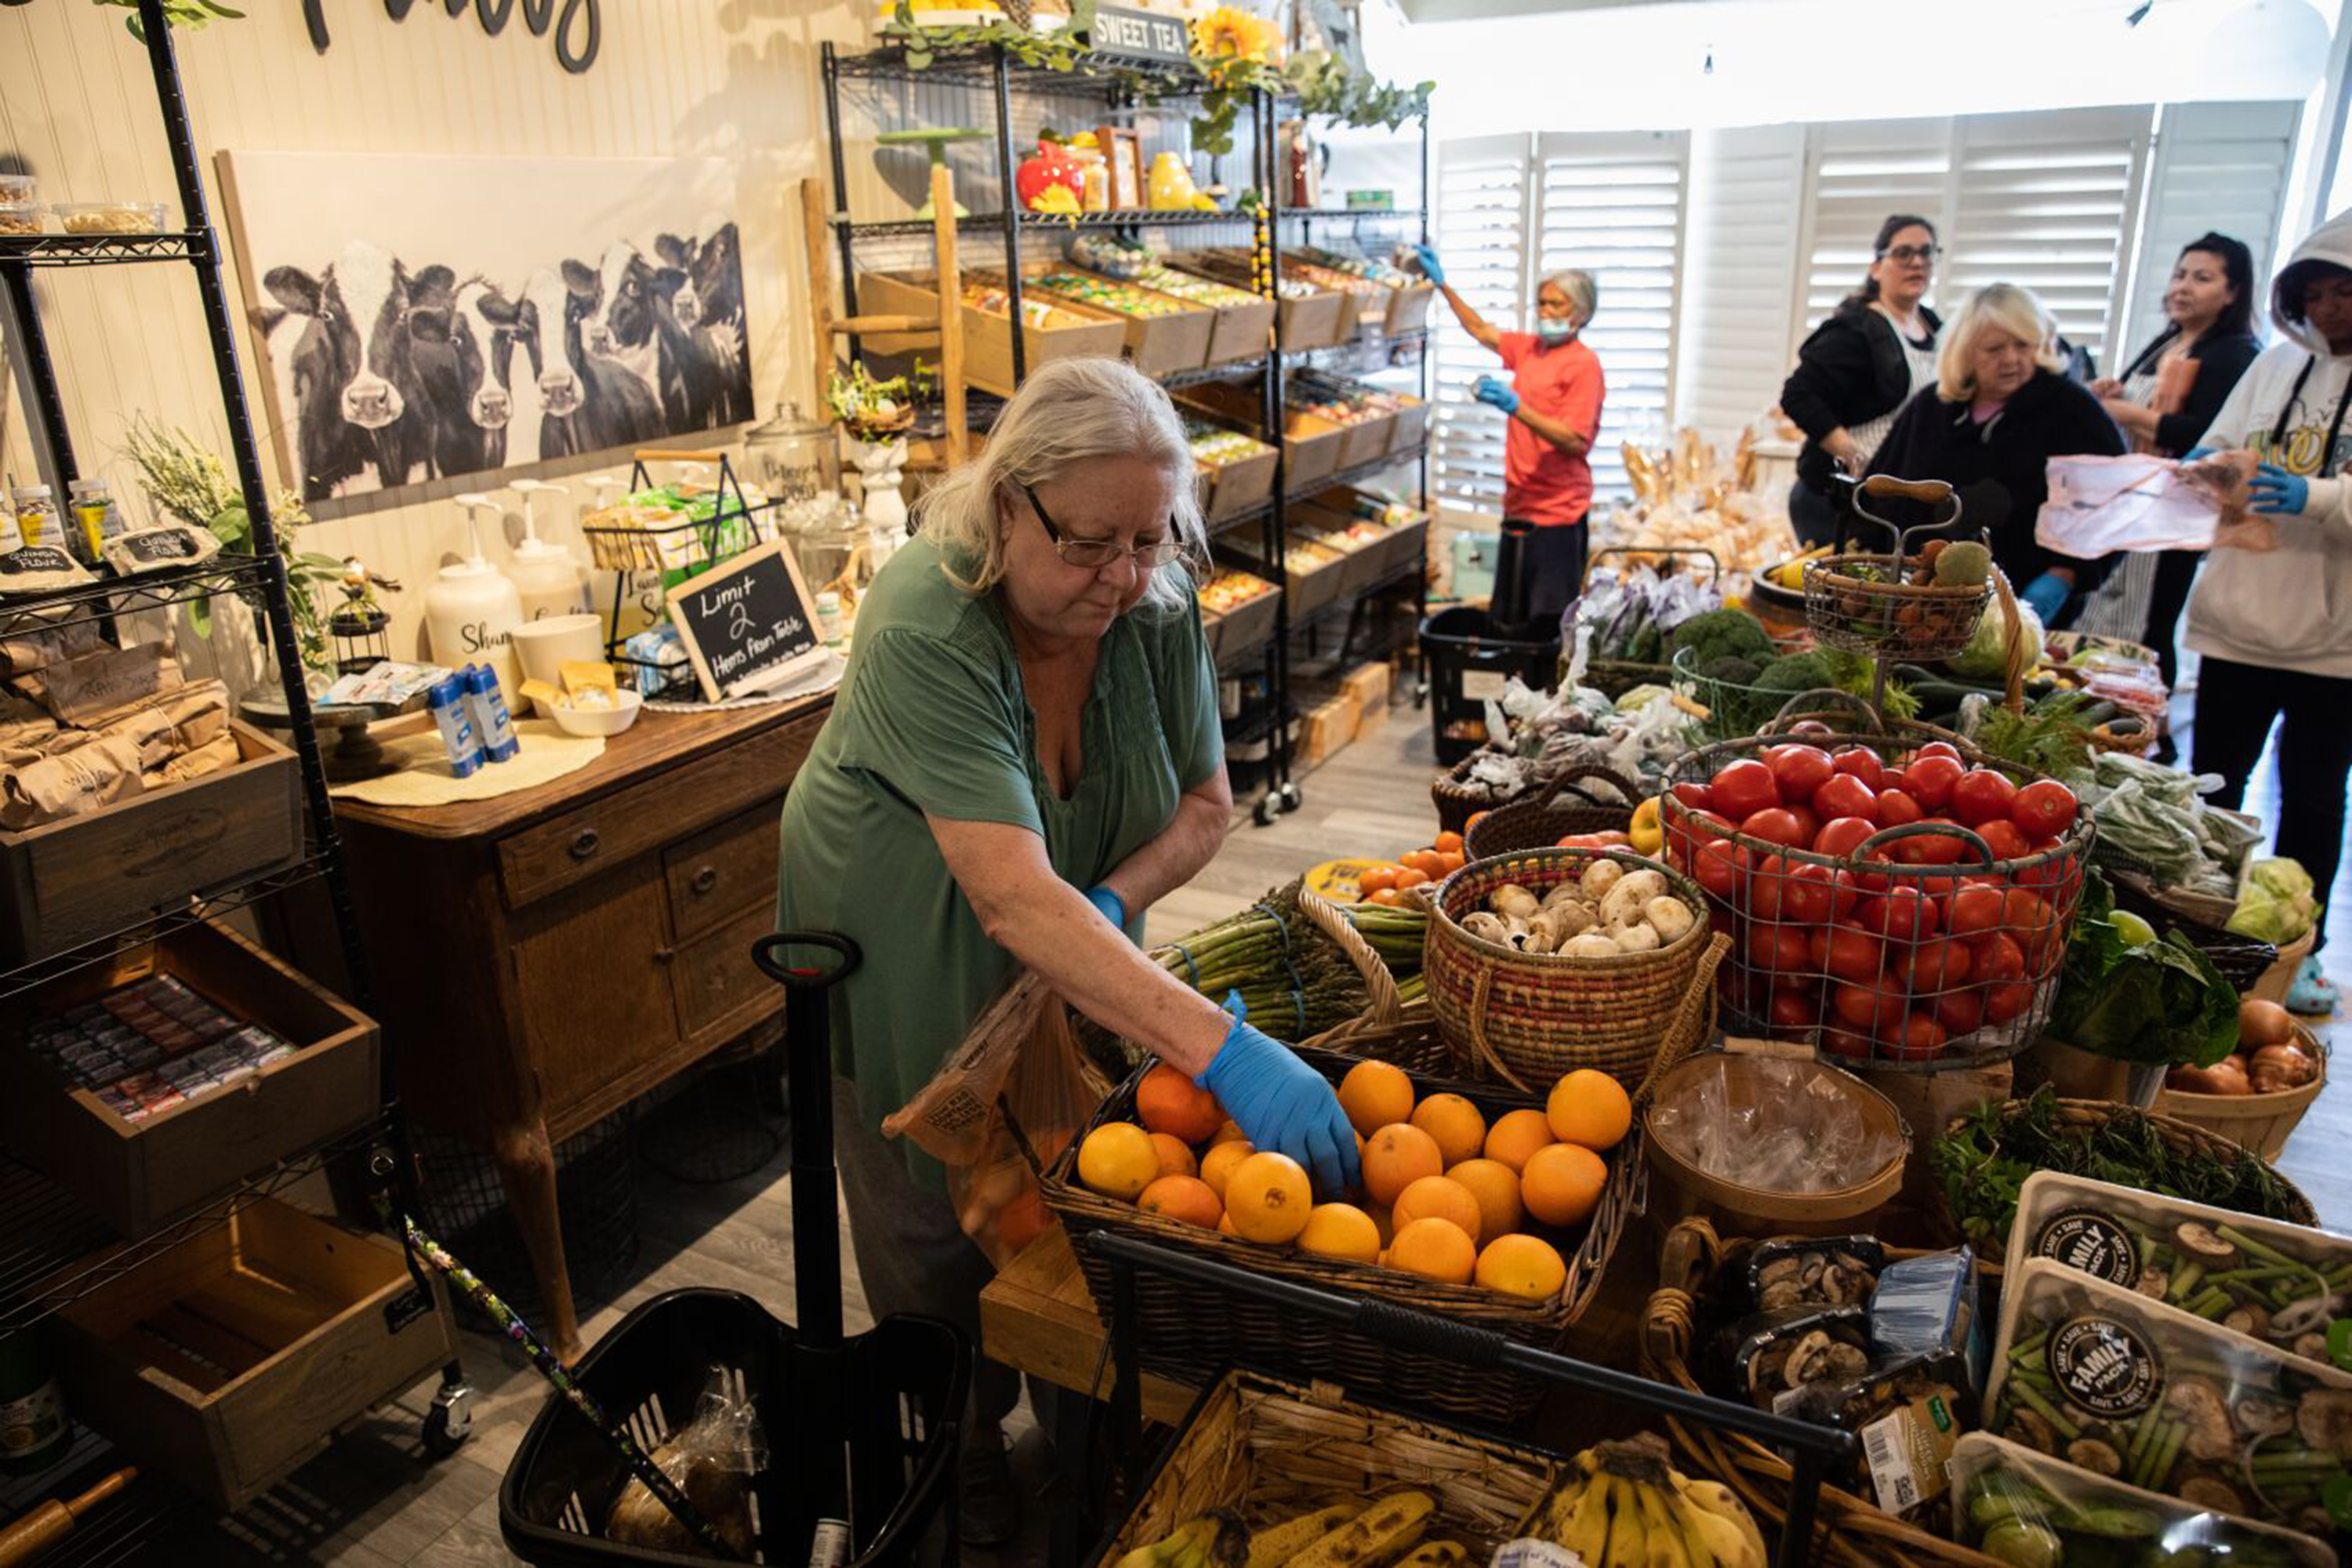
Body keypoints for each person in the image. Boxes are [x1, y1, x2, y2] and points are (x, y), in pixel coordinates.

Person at [775, 358, 1361, 1542]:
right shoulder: (925, 620)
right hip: (898, 946)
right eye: (1091, 543)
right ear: (1007, 504)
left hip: (1065, 947)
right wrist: (1228, 1052)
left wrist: (1109, 899)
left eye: (1150, 539)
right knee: (930, 1239)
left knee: (1082, 1211)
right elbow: (1004, 899)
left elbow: (1205, 805)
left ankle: (1089, 1439)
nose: (1124, 576)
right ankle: (959, 1450)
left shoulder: (1150, 608)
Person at [2177, 210, 2352, 1017]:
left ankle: (2299, 953)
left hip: (2334, 638)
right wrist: (2203, 468)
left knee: (2313, 795)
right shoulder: (2276, 365)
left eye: (2343, 293)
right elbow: (2217, 440)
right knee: (2217, 785)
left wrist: (2315, 497)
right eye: (2314, 293)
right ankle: (2206, 925)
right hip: (2239, 620)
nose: (2328, 310)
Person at [1867, 282, 2127, 626]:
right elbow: (1879, 491)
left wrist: (2066, 577)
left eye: (2023, 345)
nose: (2011, 360)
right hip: (1919, 608)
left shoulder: (2072, 409)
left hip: (2022, 603)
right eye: (1994, 349)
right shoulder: (1933, 407)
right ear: (1966, 352)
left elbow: (2114, 505)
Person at [2073, 234, 2261, 697]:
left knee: (2151, 623)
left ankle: (2148, 725)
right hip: (2133, 501)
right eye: (2180, 275)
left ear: (2232, 292)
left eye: (2202, 278)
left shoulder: (2233, 354)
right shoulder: (2170, 342)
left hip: (2176, 513)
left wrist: (2127, 413)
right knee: (2105, 610)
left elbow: (2205, 435)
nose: (2183, 287)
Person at [1414, 245, 1605, 623]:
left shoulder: (1585, 366)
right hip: (1518, 507)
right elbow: (1480, 329)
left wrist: (1517, 407)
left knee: (1547, 622)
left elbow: (1575, 440)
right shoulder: (1531, 349)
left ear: (1581, 313)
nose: (1546, 312)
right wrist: (1443, 285)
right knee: (1510, 616)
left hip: (1558, 516)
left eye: (1557, 305)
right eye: (1542, 303)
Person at [1778, 215, 1945, 546]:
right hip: (1837, 499)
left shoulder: (1934, 326)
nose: (1917, 263)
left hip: (1890, 502)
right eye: (1903, 253)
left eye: (1926, 253)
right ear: (1877, 267)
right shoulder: (1857, 328)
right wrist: (1855, 457)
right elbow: (1797, 394)